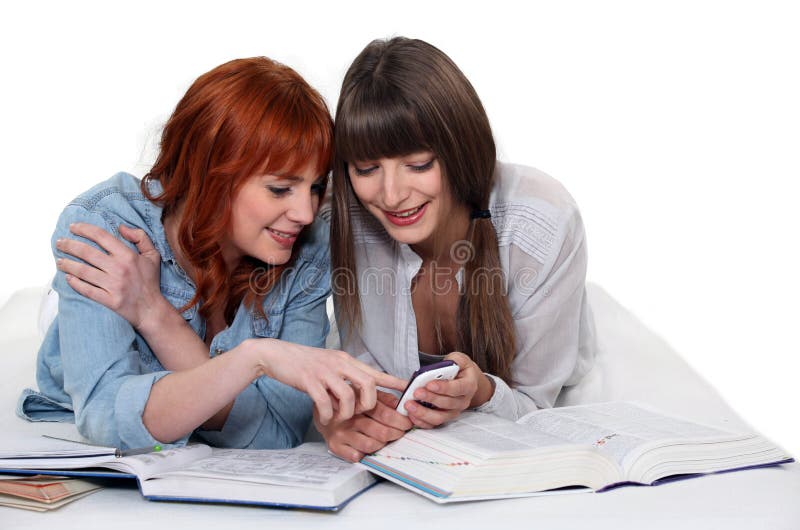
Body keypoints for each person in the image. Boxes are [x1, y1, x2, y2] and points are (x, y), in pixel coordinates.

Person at [17, 57, 404, 451]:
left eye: (315, 187)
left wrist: (156, 315)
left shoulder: (310, 248)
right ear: (211, 175)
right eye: (279, 189)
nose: (305, 213)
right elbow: (102, 416)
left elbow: (275, 433)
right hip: (87, 322)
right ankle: (55, 305)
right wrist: (251, 366)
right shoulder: (105, 225)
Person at [317, 37, 596, 460]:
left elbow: (536, 406)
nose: (391, 195)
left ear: (460, 151)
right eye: (367, 169)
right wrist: (336, 419)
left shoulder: (540, 223)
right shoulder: (337, 210)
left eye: (418, 164)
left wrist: (481, 391)